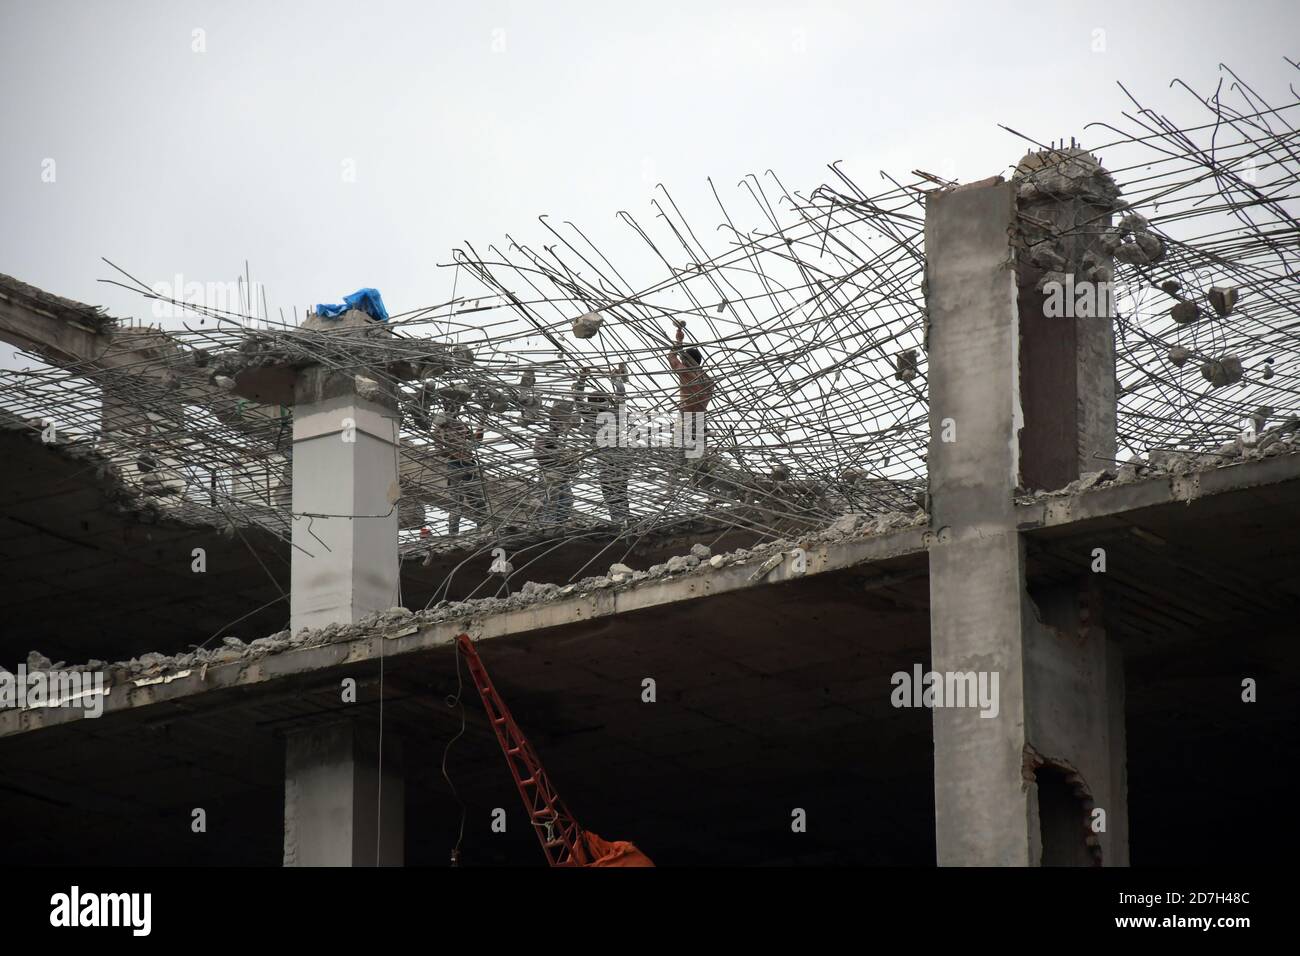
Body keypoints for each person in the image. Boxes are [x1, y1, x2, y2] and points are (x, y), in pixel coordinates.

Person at [577, 364, 631, 526]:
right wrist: (615, 379)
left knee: (612, 494)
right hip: (621, 461)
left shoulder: (590, 417)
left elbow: (577, 399)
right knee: (621, 493)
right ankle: (624, 521)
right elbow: (621, 394)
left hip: (607, 463)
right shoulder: (614, 414)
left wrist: (582, 379)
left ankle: (619, 522)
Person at [431, 399, 484, 537]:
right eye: (454, 406)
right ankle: (453, 535)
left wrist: (482, 422)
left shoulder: (462, 425)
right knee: (457, 503)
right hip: (455, 466)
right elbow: (439, 450)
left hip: (469, 465)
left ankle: (483, 530)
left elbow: (476, 442)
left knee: (478, 501)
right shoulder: (441, 427)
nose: (457, 409)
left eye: (458, 406)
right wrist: (454, 452)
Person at [532, 401, 579, 525]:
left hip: (562, 477)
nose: (560, 425)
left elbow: (572, 465)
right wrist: (559, 454)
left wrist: (572, 458)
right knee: (551, 501)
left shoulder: (562, 440)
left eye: (562, 422)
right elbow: (538, 454)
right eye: (557, 421)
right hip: (550, 475)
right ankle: (548, 525)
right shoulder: (545, 436)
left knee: (567, 501)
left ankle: (559, 525)